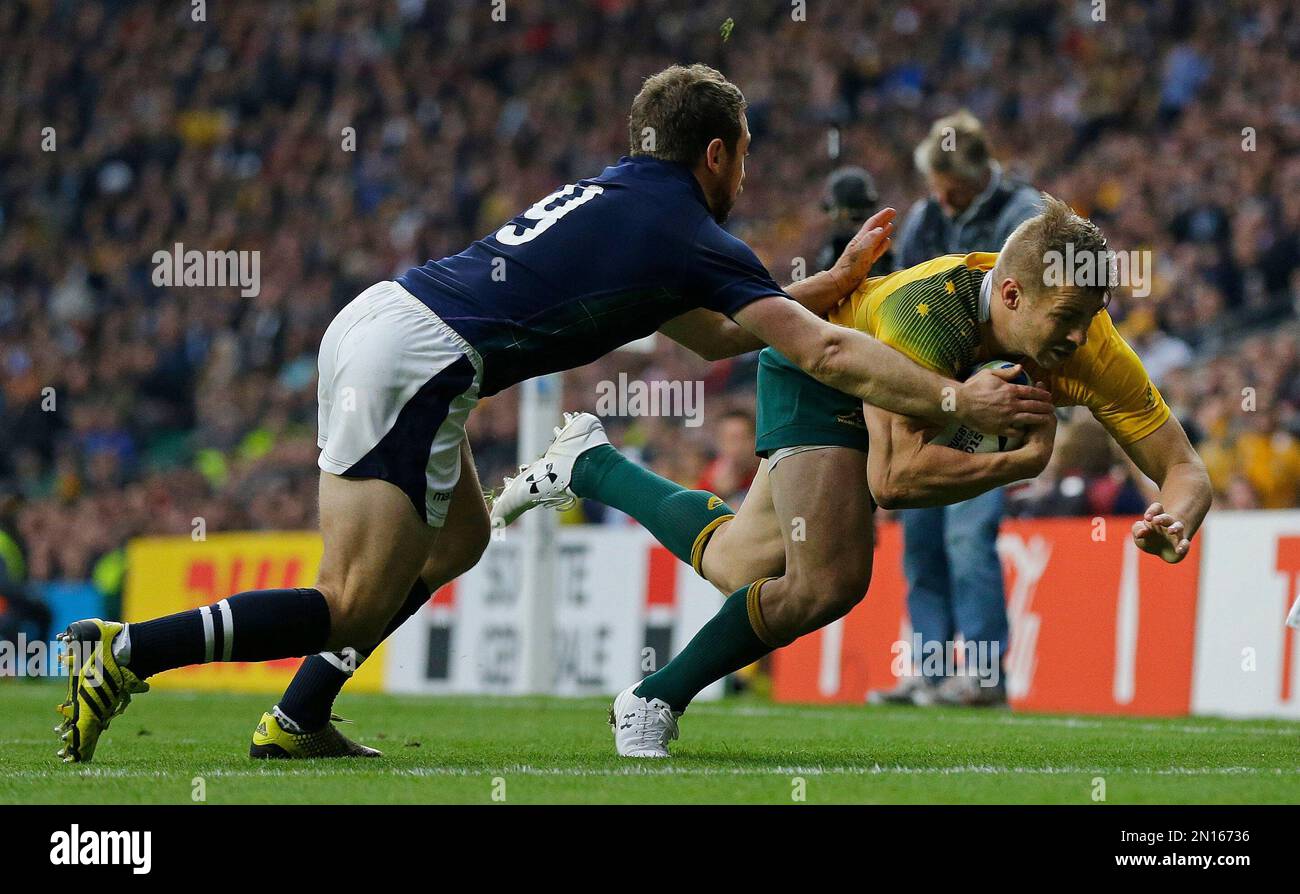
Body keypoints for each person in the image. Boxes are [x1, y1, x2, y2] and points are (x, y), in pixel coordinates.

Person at [54, 64, 1046, 763]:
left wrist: (822, 279)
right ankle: (134, 652)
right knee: (354, 596)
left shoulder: (632, 200)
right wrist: (960, 397)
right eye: (743, 157)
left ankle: (299, 716)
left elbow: (707, 338)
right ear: (716, 152)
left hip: (396, 330)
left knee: (457, 545)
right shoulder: (688, 227)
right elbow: (824, 351)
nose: (744, 177)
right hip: (422, 359)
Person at [492, 196, 1212, 757]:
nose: (1080, 338)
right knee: (829, 580)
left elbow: (1183, 469)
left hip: (888, 391)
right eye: (1068, 317)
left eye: (1093, 317)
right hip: (821, 371)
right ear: (1013, 296)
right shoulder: (929, 313)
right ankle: (654, 698)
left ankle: (588, 460)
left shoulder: (1090, 346)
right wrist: (1018, 465)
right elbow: (894, 479)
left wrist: (1175, 516)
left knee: (737, 561)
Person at [877, 110, 1047, 706]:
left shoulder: (1023, 217)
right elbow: (900, 308)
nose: (940, 198)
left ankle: (981, 674)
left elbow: (1033, 317)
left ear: (976, 174)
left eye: (949, 187)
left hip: (994, 395)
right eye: (935, 187)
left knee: (968, 538)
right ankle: (927, 669)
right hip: (931, 398)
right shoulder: (926, 217)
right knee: (922, 539)